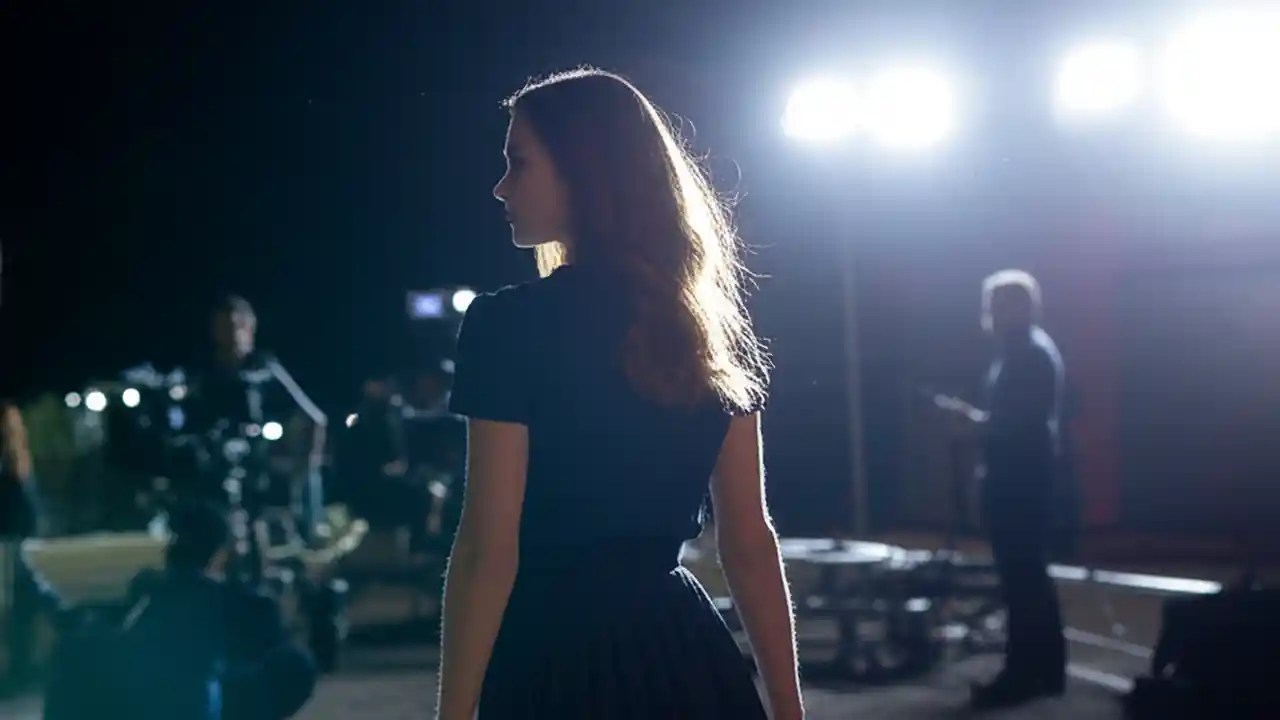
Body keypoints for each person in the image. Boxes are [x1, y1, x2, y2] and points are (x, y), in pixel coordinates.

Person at [434, 68, 802, 720]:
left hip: (550, 655)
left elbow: (489, 547)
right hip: (680, 653)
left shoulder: (507, 324)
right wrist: (789, 709)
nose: (500, 187)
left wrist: (454, 714)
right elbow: (748, 542)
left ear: (584, 171)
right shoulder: (706, 330)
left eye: (518, 163)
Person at [935, 269, 1067, 708]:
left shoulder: (1027, 356)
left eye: (997, 305)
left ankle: (1024, 673)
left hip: (1020, 485)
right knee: (1030, 578)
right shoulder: (1025, 353)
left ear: (1018, 307)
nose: (990, 314)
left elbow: (1017, 426)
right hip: (1024, 481)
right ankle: (1046, 671)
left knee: (1021, 580)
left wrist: (973, 424)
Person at [107, 502, 316, 720]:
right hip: (205, 702)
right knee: (297, 662)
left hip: (145, 699)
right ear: (221, 549)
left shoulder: (148, 590)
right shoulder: (240, 602)